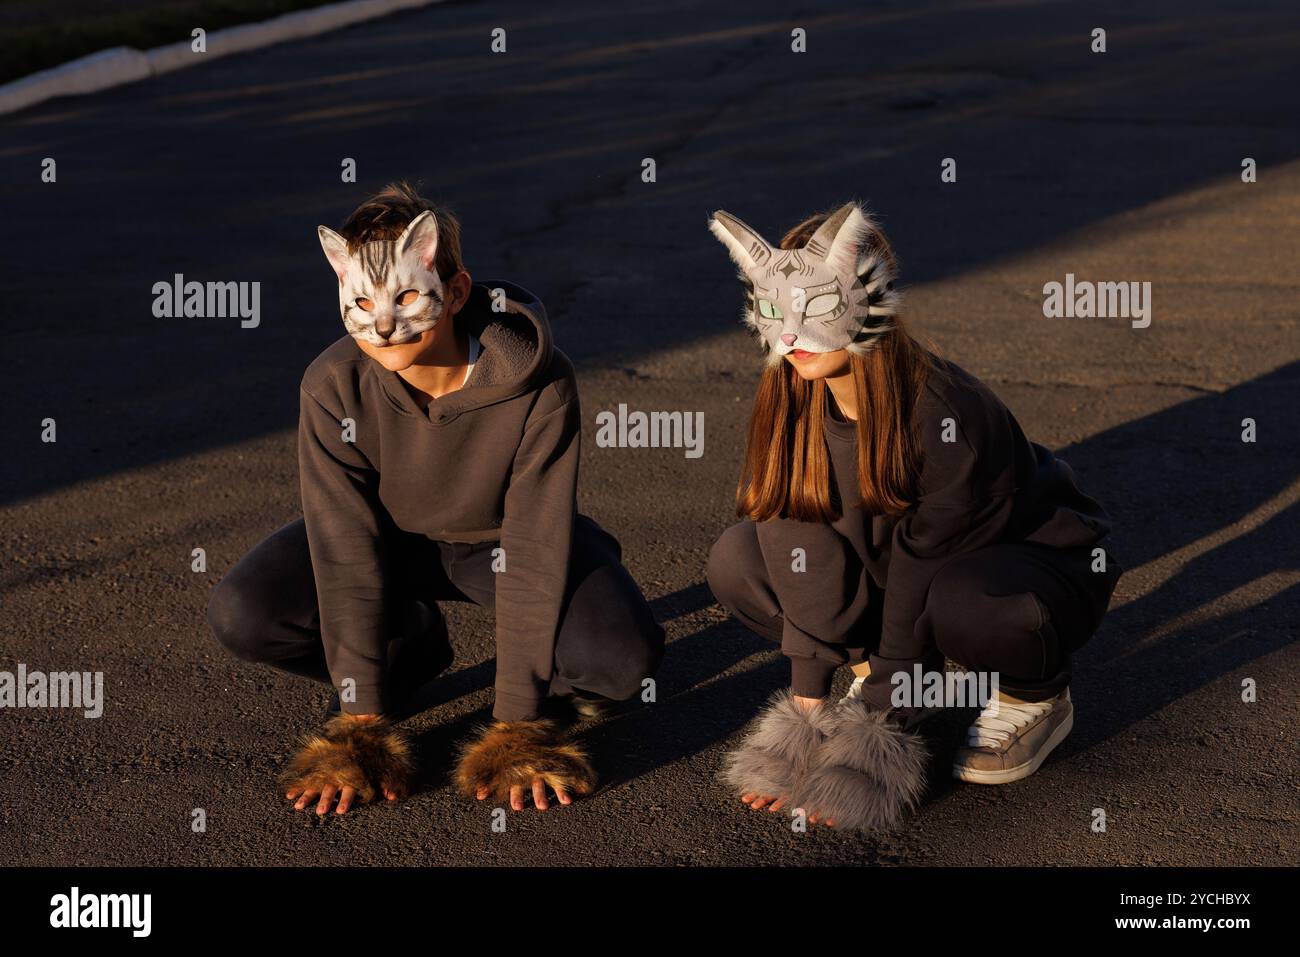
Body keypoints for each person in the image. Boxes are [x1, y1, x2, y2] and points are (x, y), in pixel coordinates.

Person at [207, 182, 664, 816]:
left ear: (453, 291)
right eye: (360, 300)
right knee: (243, 611)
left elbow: (534, 545)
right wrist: (360, 720)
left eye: (404, 295)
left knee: (620, 665)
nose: (382, 322)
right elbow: (343, 547)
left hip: (503, 540)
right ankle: (411, 646)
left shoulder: (541, 381)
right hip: (385, 539)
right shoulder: (331, 384)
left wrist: (517, 726)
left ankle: (550, 682)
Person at [705, 203, 1122, 830]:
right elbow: (796, 538)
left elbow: (926, 562)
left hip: (1019, 572)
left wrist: (876, 726)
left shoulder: (944, 411)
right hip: (907, 568)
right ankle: (899, 676)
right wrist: (808, 709)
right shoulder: (789, 394)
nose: (791, 335)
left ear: (870, 299)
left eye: (815, 306)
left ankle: (1036, 693)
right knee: (739, 559)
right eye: (774, 309)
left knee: (965, 600)